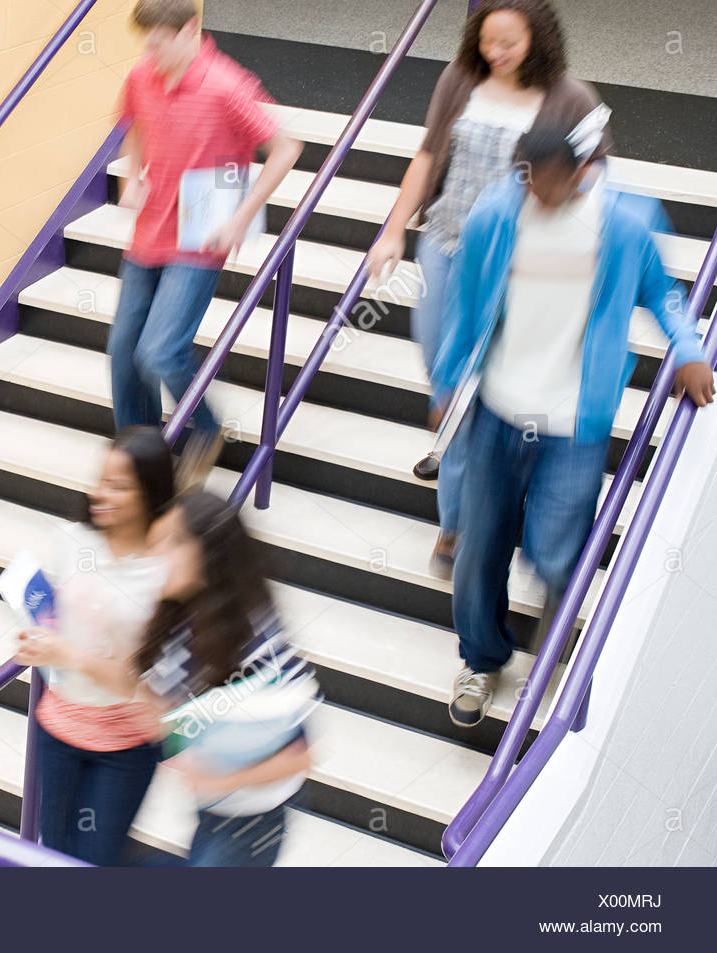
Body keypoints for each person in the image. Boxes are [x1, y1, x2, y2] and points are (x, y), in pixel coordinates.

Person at [432, 115, 713, 728]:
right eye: (529, 182)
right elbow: (467, 300)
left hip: (572, 427)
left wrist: (689, 351)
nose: (539, 196)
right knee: (479, 550)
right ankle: (481, 659)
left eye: (552, 184)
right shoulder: (496, 214)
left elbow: (663, 293)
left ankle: (555, 637)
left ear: (585, 171)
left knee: (557, 554)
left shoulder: (626, 224)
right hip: (498, 411)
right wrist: (449, 377)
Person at [368, 0, 606, 577]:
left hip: (515, 273)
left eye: (509, 43)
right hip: (446, 249)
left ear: (539, 41)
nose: (495, 54)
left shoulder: (571, 98)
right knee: (446, 388)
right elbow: (428, 156)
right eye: (487, 41)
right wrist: (394, 230)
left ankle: (457, 528)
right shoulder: (460, 78)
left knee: (471, 403)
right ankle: (477, 506)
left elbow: (594, 180)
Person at [110, 0, 302, 489]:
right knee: (123, 351)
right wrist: (133, 176)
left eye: (159, 41)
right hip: (150, 230)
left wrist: (242, 214)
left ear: (190, 30)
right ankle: (142, 451)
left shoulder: (225, 84)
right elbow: (134, 122)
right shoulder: (142, 76)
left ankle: (208, 428)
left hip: (201, 228)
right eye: (146, 42)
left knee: (159, 351)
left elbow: (287, 147)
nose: (150, 52)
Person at [13, 427, 174, 865]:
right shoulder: (71, 541)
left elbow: (137, 679)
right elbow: (57, 622)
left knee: (94, 862)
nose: (100, 493)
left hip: (125, 747)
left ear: (150, 493)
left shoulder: (165, 570)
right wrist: (37, 641)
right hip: (58, 730)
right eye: (101, 480)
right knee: (57, 856)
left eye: (118, 486)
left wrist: (68, 655)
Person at [136, 492, 321, 867]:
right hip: (212, 810)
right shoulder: (181, 621)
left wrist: (218, 778)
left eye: (172, 544)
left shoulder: (258, 645)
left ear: (207, 554)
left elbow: (301, 757)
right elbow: (166, 719)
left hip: (253, 821)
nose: (156, 557)